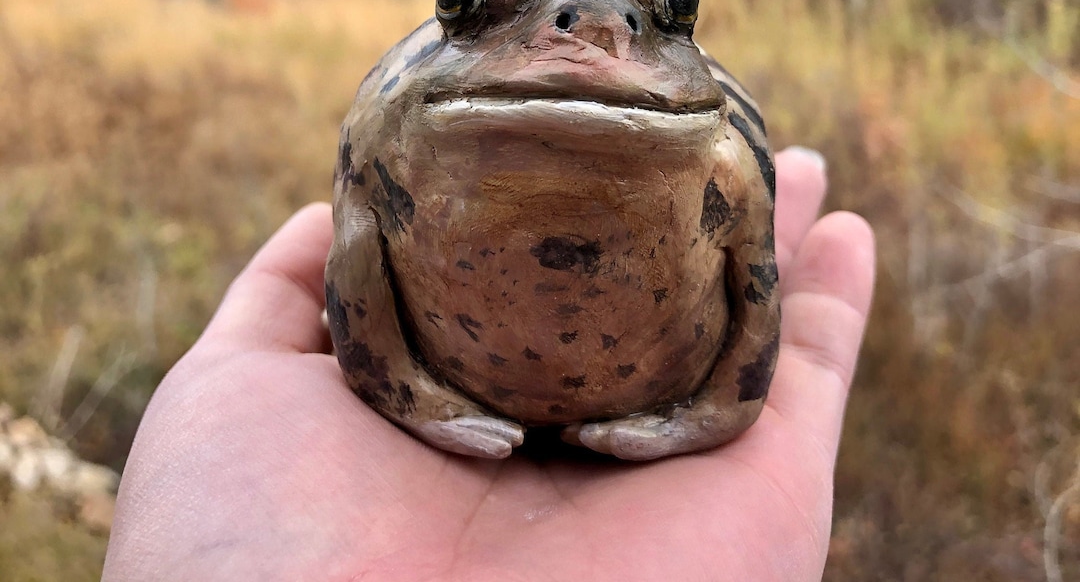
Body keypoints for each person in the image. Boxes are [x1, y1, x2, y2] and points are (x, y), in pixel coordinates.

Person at [102, 147, 875, 582]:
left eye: (668, 8)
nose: (574, 34)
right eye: (467, 0)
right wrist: (404, 392)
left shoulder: (721, 145)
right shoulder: (399, 118)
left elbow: (756, 284)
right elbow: (356, 250)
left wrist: (709, 416)